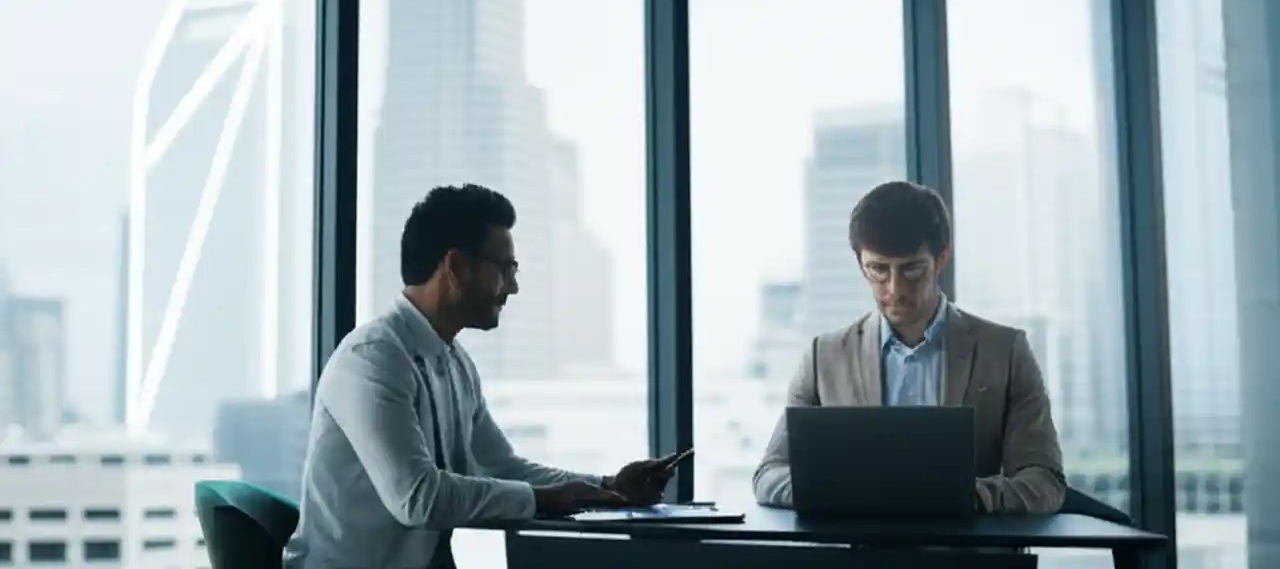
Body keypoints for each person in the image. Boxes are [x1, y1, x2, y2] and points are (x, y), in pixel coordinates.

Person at [285, 184, 678, 568]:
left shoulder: (455, 362)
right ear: (456, 267)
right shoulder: (373, 358)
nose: (514, 287)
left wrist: (607, 487)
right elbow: (418, 498)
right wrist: (549, 498)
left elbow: (502, 467)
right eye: (505, 269)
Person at [752, 181, 1065, 515]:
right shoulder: (823, 358)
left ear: (941, 258)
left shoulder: (1004, 352)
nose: (895, 289)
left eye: (912, 270)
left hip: (965, 544)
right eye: (878, 270)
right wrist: (841, 490)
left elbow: (1045, 481)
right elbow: (769, 475)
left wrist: (972, 495)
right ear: (860, 263)